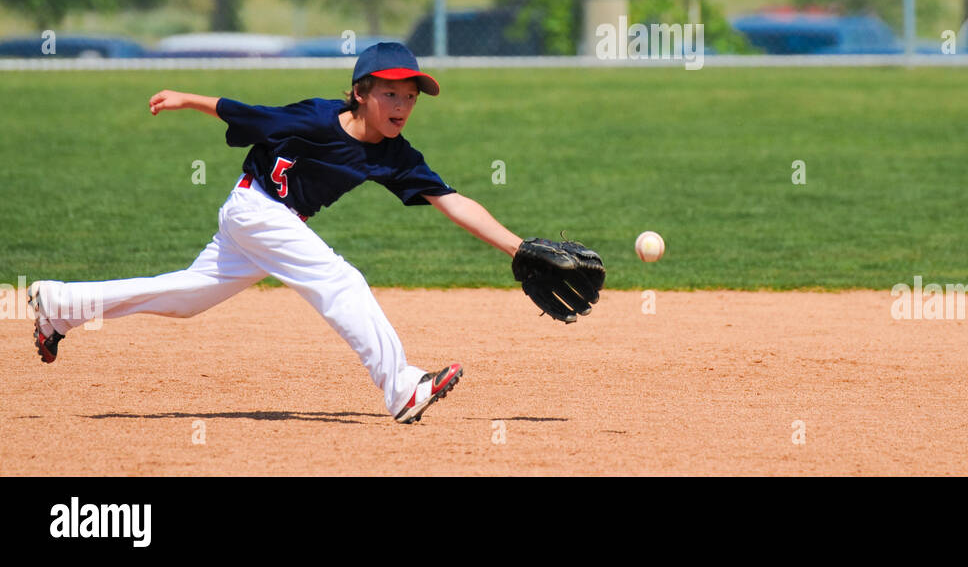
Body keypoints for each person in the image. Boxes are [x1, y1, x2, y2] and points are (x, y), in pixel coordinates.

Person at [28, 42, 603, 423]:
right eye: (389, 92)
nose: (402, 104)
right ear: (360, 92)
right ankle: (402, 386)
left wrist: (519, 246)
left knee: (185, 298)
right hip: (255, 210)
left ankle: (61, 304)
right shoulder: (313, 119)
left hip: (269, 223)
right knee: (340, 278)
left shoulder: (394, 154)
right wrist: (185, 98)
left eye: (410, 95)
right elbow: (247, 112)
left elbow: (451, 200)